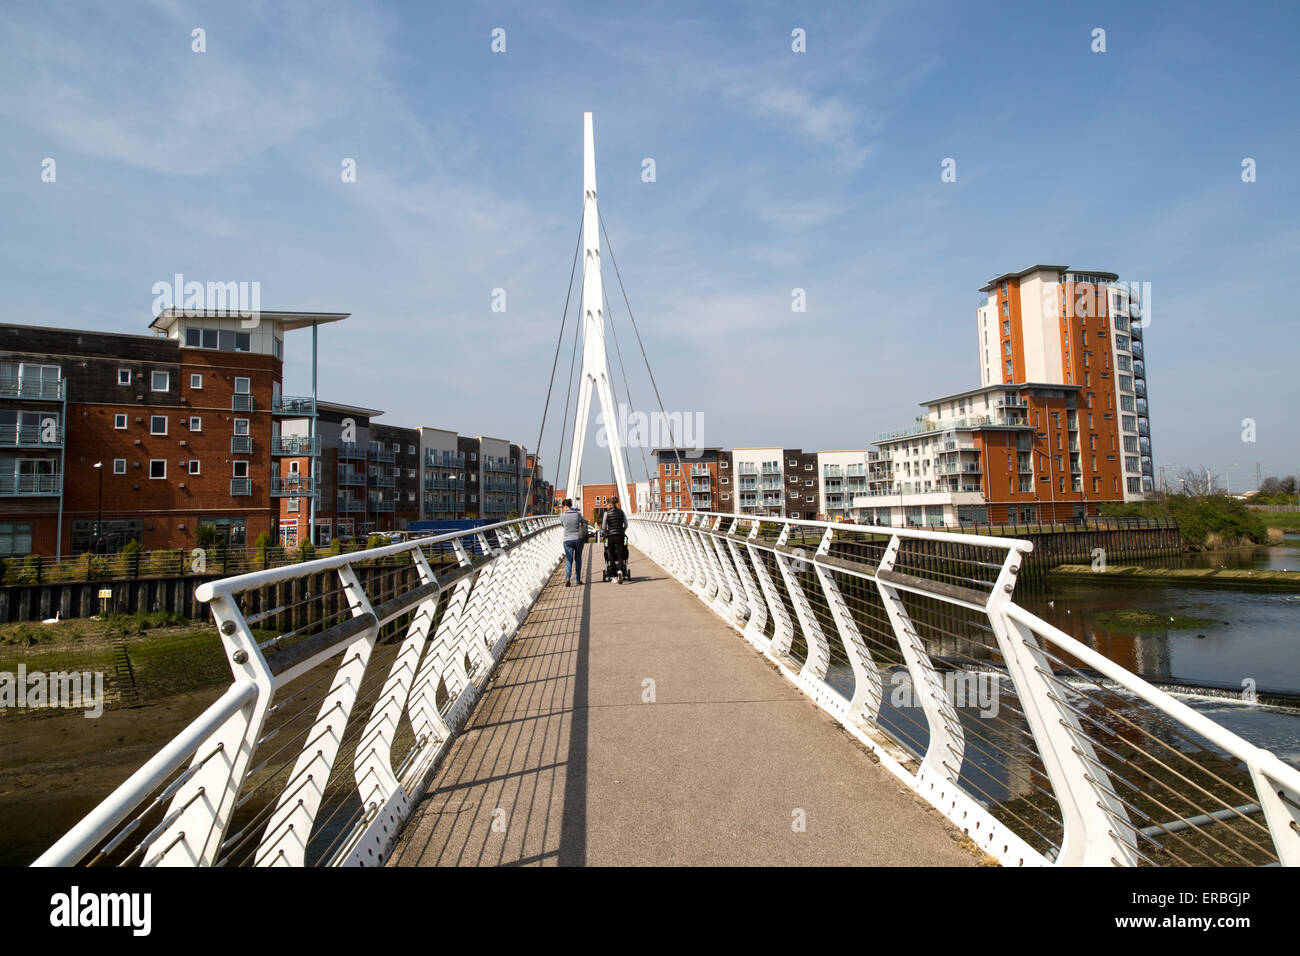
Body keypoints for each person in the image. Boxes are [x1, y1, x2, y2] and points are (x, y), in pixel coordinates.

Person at [560, 498, 585, 586]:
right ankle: (578, 579)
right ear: (571, 505)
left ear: (565, 506)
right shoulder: (577, 514)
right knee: (578, 559)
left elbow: (562, 525)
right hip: (578, 539)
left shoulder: (562, 515)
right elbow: (584, 522)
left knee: (569, 559)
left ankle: (568, 578)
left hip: (567, 540)